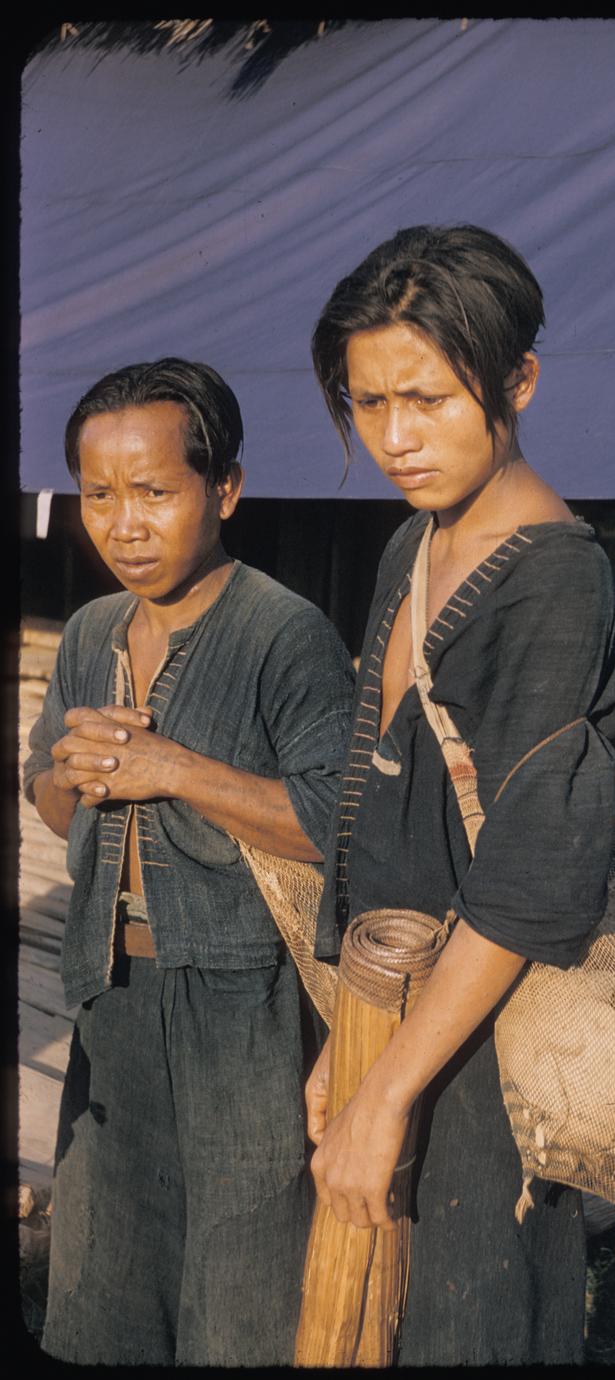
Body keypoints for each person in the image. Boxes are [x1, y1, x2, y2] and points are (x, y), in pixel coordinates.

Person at [307, 225, 615, 1365]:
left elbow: (528, 877)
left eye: (429, 400)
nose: (396, 438)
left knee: (473, 1318)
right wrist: (348, 1045)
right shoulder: (415, 546)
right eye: (367, 404)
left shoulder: (554, 577)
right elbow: (383, 820)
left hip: (489, 1047)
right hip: (398, 1021)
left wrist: (385, 1095)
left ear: (517, 383)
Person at [23, 358, 355, 1365]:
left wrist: (172, 768)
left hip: (245, 1006)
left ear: (225, 490)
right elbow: (44, 796)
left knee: (242, 1279)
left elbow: (336, 828)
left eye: (155, 491)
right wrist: (74, 774)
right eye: (99, 494)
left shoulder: (283, 636)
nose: (123, 523)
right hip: (112, 989)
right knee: (109, 1271)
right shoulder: (90, 634)